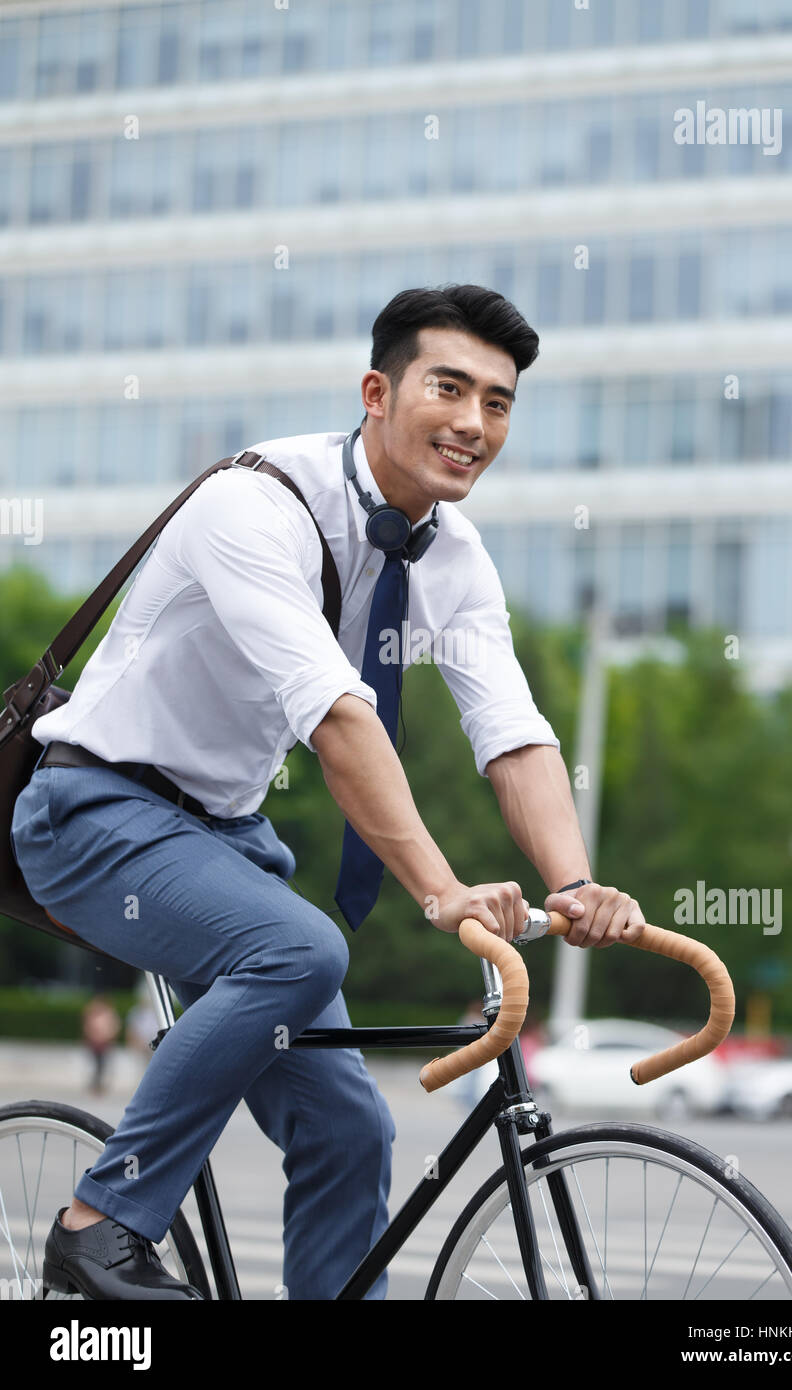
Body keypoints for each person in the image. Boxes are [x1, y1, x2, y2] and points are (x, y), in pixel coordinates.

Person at [10, 284, 645, 1301]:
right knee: (300, 948)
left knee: (353, 1126)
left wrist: (572, 884)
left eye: (499, 401)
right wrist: (442, 893)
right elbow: (339, 719)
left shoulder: (452, 556)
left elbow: (513, 736)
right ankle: (98, 1226)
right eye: (449, 387)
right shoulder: (250, 504)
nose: (474, 423)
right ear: (375, 392)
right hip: (95, 816)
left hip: (225, 841)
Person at [82, 994, 121, 1096]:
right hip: (96, 1043)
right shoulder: (94, 1014)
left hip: (104, 1043)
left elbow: (113, 1028)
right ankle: (96, 1084)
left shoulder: (107, 1014)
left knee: (102, 1065)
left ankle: (98, 1085)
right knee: (98, 1064)